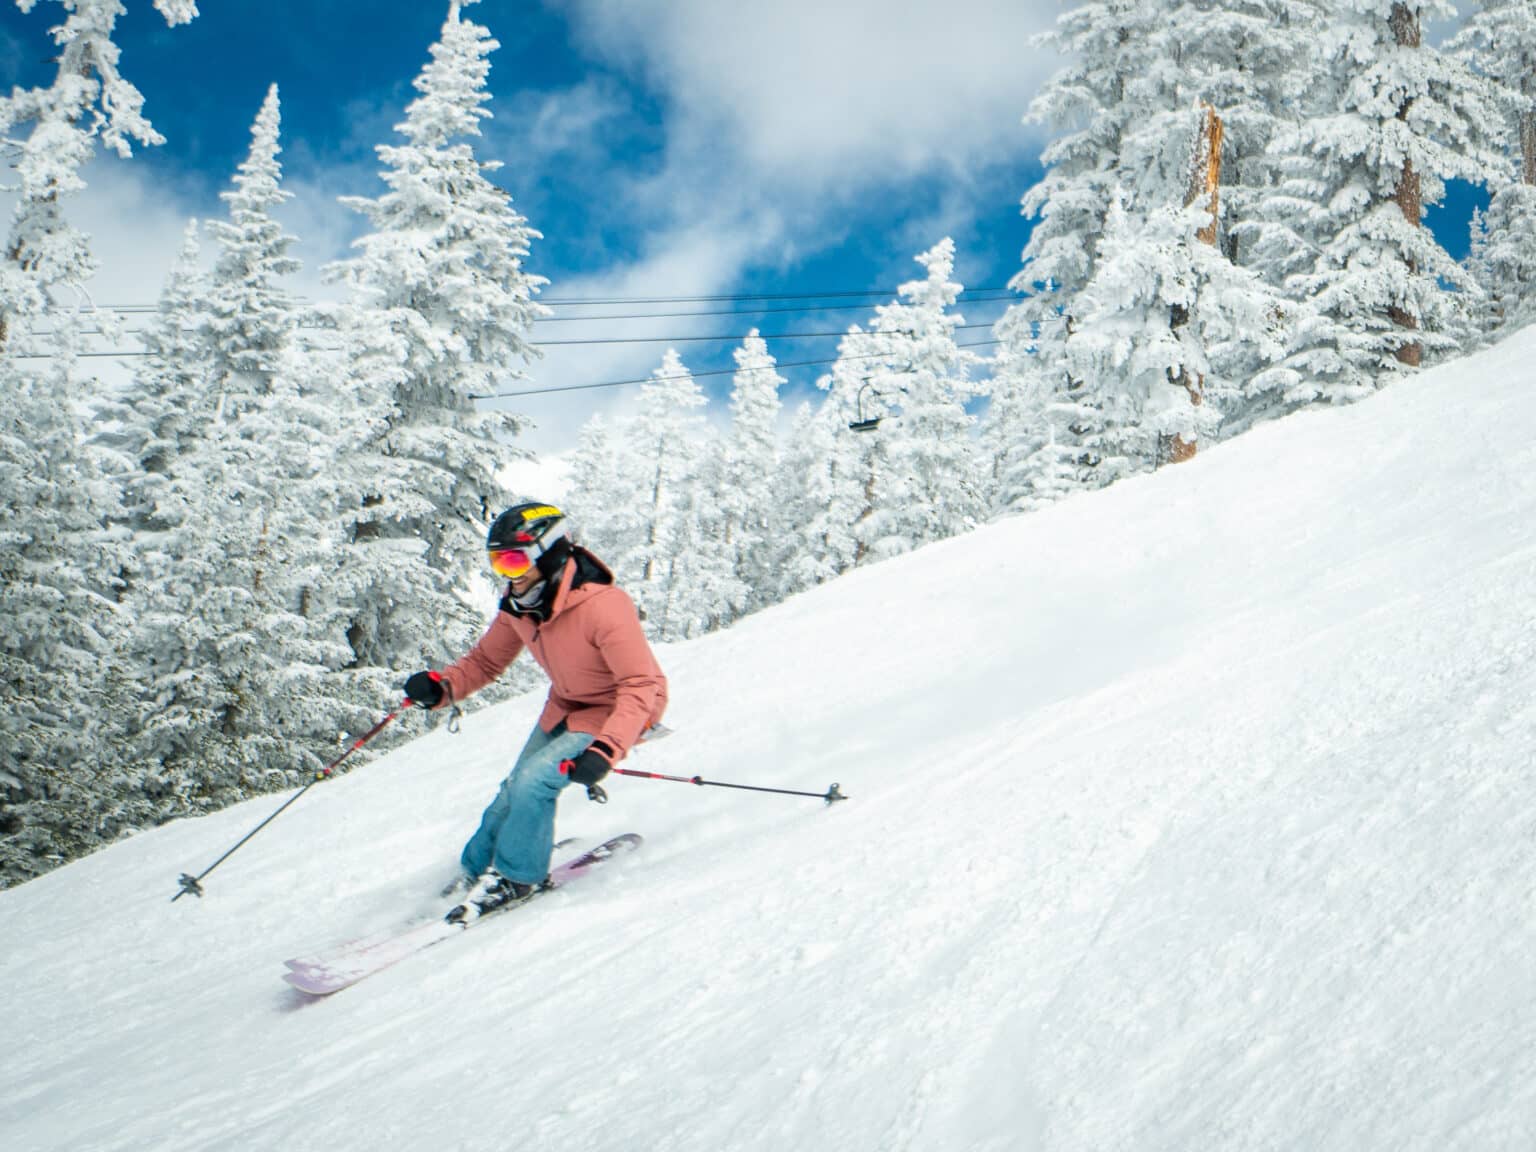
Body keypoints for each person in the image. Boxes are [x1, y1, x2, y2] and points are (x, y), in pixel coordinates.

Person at [403, 502, 667, 922]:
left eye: (513, 560)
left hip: (618, 707)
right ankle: (474, 870)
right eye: (497, 563)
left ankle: (517, 876)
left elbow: (640, 685)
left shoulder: (604, 606)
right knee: (512, 790)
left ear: (548, 553)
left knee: (534, 782)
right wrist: (443, 689)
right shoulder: (520, 605)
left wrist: (606, 748)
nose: (506, 575)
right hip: (567, 705)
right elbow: (486, 662)